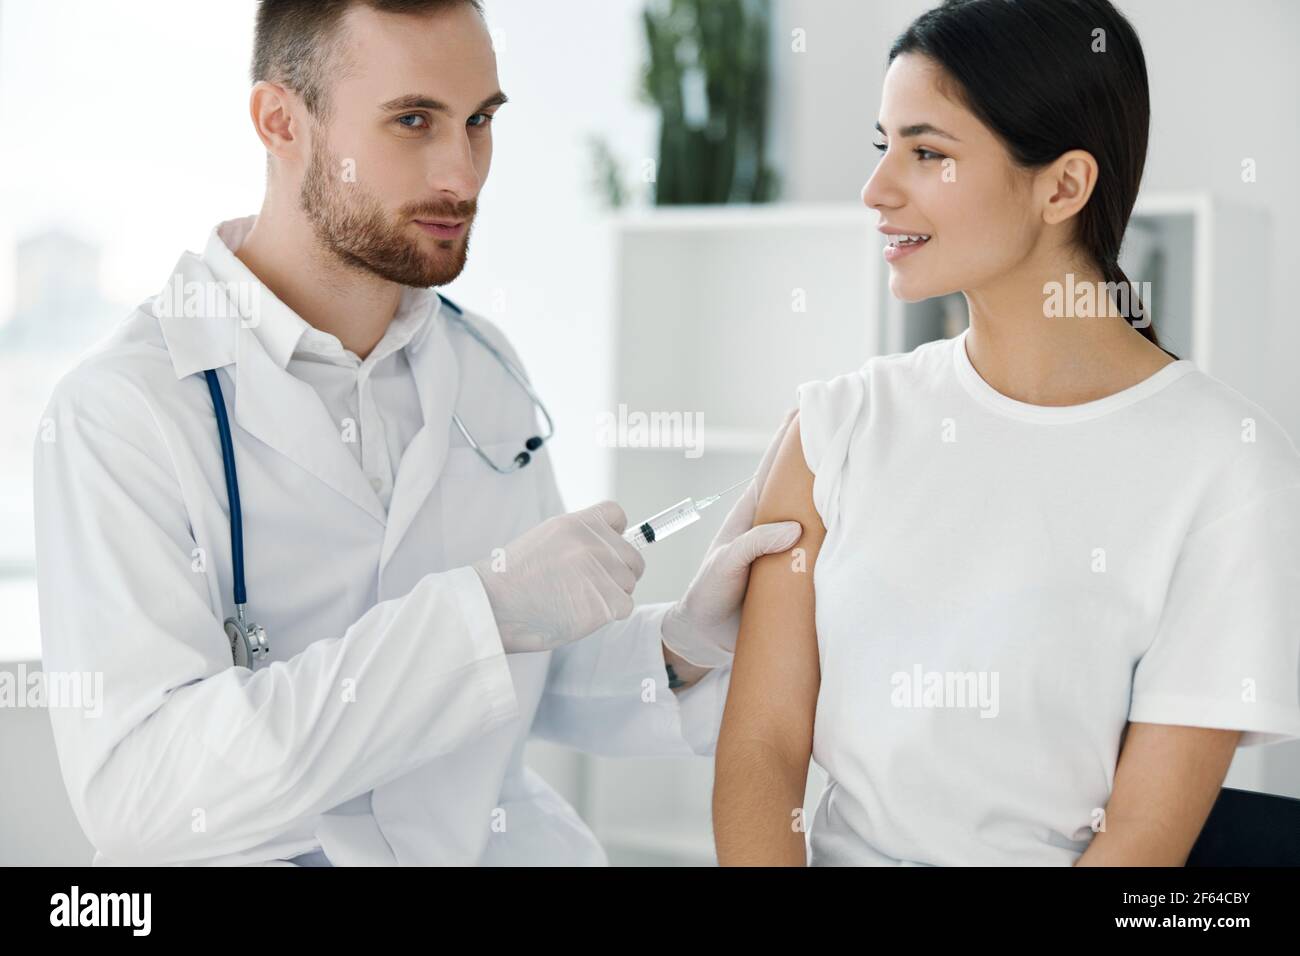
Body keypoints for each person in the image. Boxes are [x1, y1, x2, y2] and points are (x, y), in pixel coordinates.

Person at [32, 0, 801, 866]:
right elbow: (150, 796)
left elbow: (522, 679)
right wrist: (480, 608)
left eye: (479, 122)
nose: (461, 175)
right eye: (412, 122)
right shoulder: (122, 410)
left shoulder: (481, 365)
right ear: (281, 121)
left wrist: (679, 645)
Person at [712, 0, 1300, 866]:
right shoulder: (836, 426)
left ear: (1062, 186)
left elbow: (1142, 836)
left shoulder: (1226, 465)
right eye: (884, 146)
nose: (876, 190)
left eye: (927, 152)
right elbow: (762, 749)